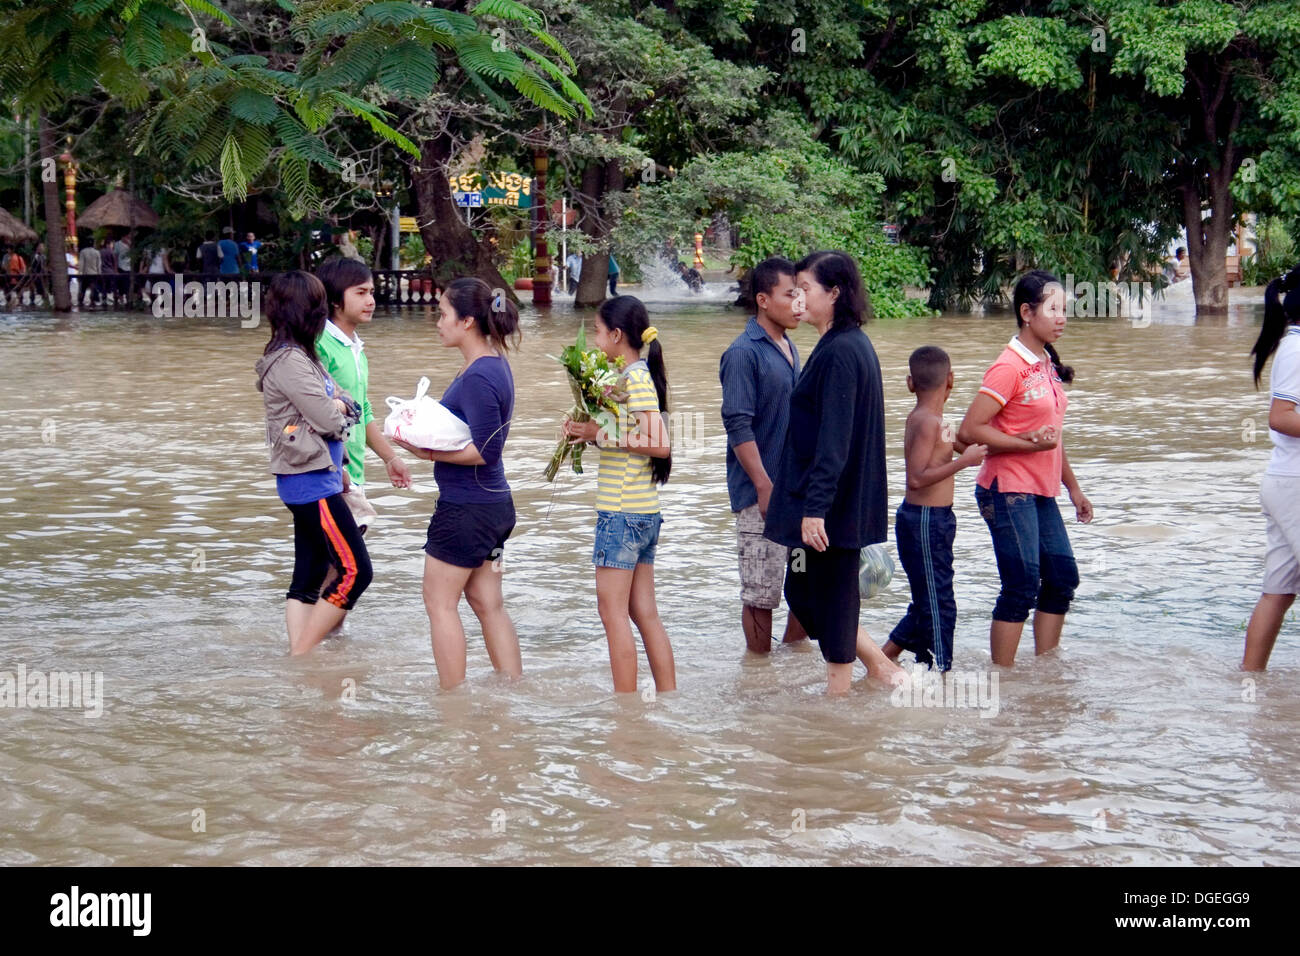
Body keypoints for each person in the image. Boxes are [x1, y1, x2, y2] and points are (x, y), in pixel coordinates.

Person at [764, 250, 905, 694]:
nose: (799, 298)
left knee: (834, 595)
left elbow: (835, 439)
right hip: (829, 499)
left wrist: (815, 508)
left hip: (831, 505)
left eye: (807, 289)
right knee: (803, 592)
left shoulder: (843, 350)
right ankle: (877, 668)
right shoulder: (838, 342)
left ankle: (838, 693)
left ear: (835, 293)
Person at [389, 278, 522, 690]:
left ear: (467, 321)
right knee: (487, 603)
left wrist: (427, 454)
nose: (437, 321)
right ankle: (513, 691)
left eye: (443, 313)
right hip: (492, 509)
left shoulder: (480, 375)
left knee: (440, 604)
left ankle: (453, 702)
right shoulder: (491, 364)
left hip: (467, 510)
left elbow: (486, 450)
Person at [957, 270, 1092, 667]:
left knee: (1063, 579)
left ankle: (1045, 672)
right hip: (1006, 489)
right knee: (1020, 584)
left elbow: (1052, 437)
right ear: (1026, 313)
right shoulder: (1009, 366)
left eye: (1064, 310)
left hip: (1040, 490)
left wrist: (1074, 489)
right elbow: (969, 430)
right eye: (1053, 309)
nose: (1062, 317)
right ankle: (1003, 678)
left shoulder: (1046, 362)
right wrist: (1025, 443)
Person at [562, 296, 675, 694]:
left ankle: (624, 710)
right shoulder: (633, 377)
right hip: (643, 512)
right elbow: (634, 440)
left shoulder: (636, 380)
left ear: (616, 335)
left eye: (596, 331)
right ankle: (667, 698)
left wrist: (598, 434)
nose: (593, 340)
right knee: (644, 613)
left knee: (612, 614)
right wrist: (586, 433)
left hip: (622, 512)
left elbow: (659, 445)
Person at [254, 271, 370, 656]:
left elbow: (347, 403)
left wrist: (338, 406)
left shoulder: (304, 356)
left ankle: (299, 661)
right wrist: (338, 407)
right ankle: (302, 651)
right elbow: (331, 417)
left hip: (317, 477)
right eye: (318, 304)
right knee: (356, 571)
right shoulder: (288, 361)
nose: (323, 312)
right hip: (310, 481)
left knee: (309, 573)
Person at [720, 257, 807, 654]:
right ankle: (758, 668)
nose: (798, 303)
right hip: (761, 495)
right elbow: (738, 424)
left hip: (794, 492)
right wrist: (763, 485)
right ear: (763, 300)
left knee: (804, 585)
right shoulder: (743, 353)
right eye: (790, 294)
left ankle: (789, 662)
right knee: (760, 591)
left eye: (802, 294)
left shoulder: (789, 345)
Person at [882, 347, 987, 672]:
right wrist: (963, 463)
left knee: (928, 600)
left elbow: (962, 443)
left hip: (936, 521)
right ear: (951, 380)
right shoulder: (927, 422)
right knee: (939, 605)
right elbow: (916, 478)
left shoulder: (940, 421)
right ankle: (938, 673)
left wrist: (1020, 440)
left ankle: (882, 659)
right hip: (924, 520)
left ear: (910, 383)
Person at [315, 256, 413, 534]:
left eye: (370, 292)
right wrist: (335, 469)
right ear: (335, 299)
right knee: (348, 570)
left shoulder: (355, 349)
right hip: (331, 477)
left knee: (335, 570)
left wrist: (390, 458)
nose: (370, 300)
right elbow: (314, 415)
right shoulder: (319, 345)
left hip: (352, 475)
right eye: (360, 293)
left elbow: (362, 411)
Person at [1243, 265, 1300, 670]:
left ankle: (1251, 681)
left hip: (1285, 482)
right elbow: (1280, 416)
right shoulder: (1297, 349)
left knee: (1279, 591)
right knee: (1278, 592)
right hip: (1294, 484)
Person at [77, 240, 101, 308]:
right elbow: (98, 264)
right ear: (93, 244)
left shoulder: (83, 252)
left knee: (83, 288)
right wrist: (99, 273)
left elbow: (81, 263)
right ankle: (92, 302)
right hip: (94, 273)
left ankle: (80, 302)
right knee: (93, 288)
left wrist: (80, 273)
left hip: (85, 273)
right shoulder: (97, 252)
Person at [98, 237, 117, 304]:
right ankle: (115, 299)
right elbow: (114, 262)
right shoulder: (111, 252)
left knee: (104, 286)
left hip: (102, 271)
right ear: (108, 244)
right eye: (112, 244)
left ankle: (104, 299)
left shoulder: (100, 252)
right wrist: (115, 271)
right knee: (114, 286)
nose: (112, 246)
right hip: (110, 271)